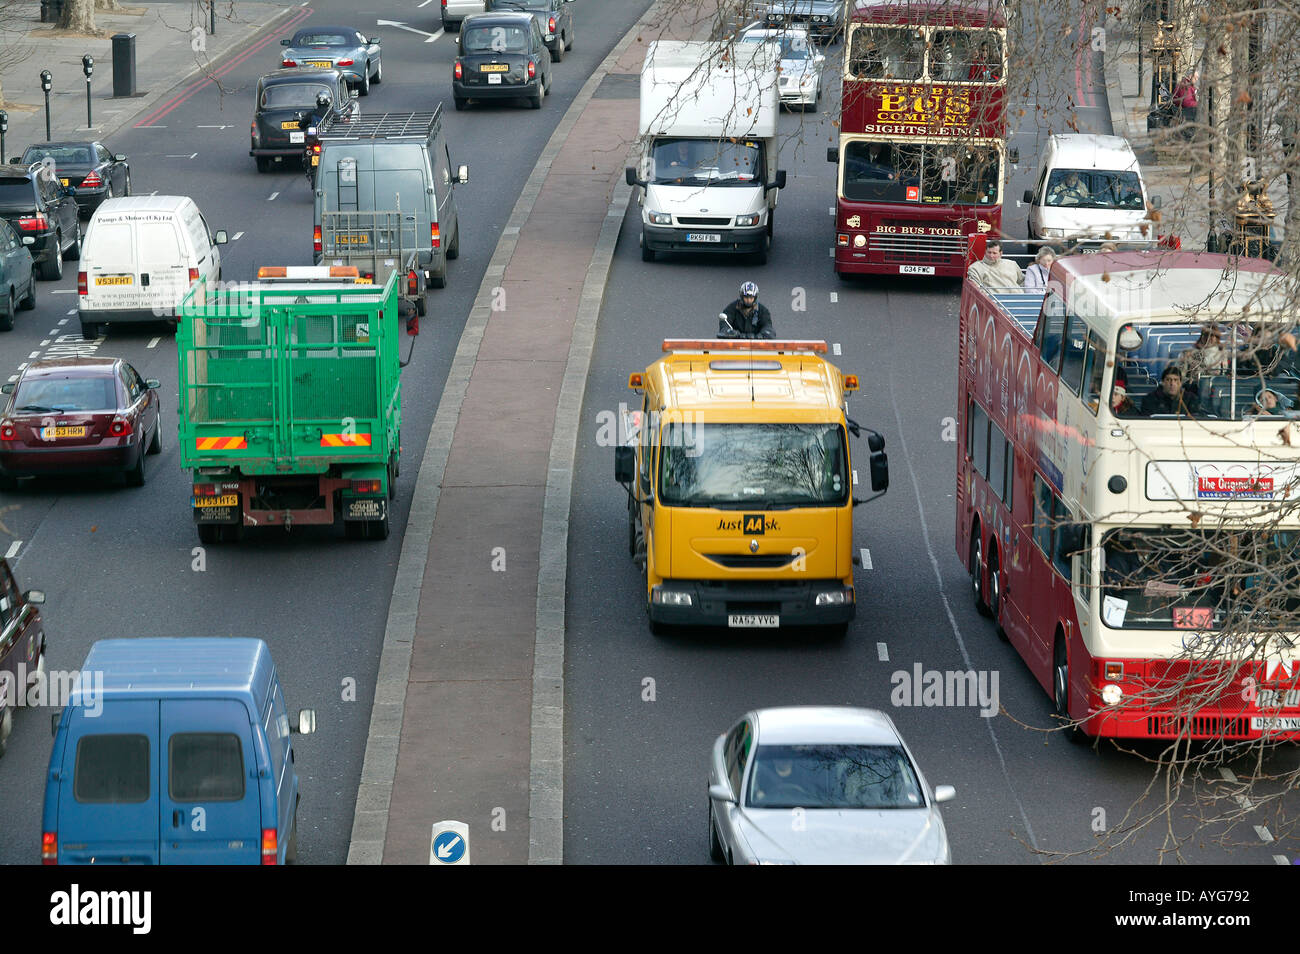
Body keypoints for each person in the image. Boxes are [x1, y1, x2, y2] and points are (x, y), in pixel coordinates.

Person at [1176, 326, 1228, 391]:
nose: (1208, 338)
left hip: (1216, 388)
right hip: (1193, 389)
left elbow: (1225, 374)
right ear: (1201, 336)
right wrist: (1189, 382)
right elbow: (1179, 375)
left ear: (1216, 338)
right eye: (1206, 334)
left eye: (1211, 335)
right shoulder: (1188, 353)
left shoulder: (1223, 354)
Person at [1174, 71, 1199, 140]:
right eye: (1195, 77)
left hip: (1184, 112)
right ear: (1190, 76)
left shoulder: (1186, 84)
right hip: (1186, 113)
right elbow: (1186, 102)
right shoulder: (1185, 85)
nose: (1197, 79)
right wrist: (1199, 104)